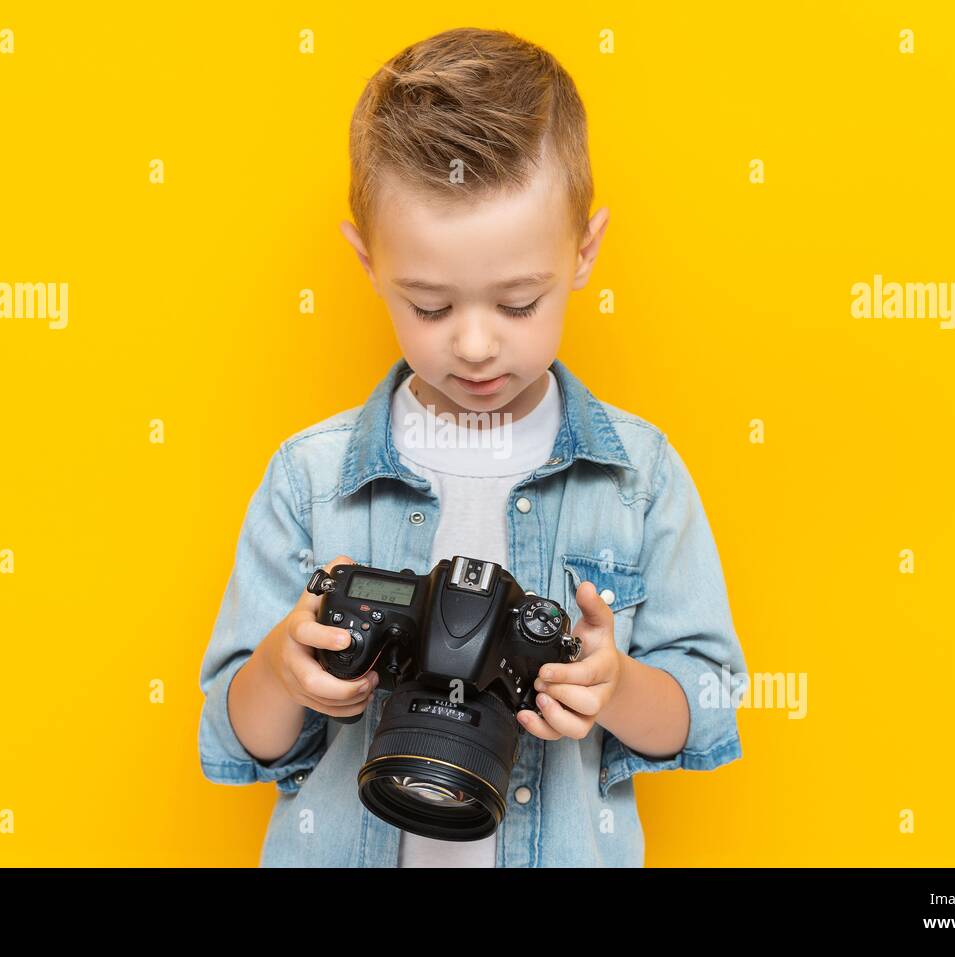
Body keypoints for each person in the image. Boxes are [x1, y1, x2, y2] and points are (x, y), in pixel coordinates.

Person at [197, 27, 747, 867]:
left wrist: (613, 685)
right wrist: (283, 670)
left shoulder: (638, 477)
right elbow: (240, 739)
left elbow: (702, 709)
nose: (477, 345)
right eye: (430, 305)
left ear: (585, 253)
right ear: (368, 263)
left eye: (519, 303)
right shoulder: (309, 479)